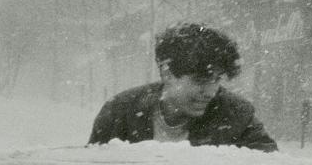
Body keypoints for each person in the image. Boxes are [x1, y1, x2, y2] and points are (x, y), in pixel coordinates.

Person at [88, 22, 277, 152]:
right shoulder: (119, 112)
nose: (211, 92)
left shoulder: (237, 116)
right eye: (201, 81)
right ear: (167, 73)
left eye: (217, 79)